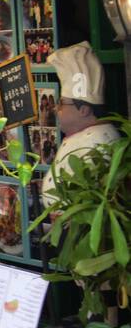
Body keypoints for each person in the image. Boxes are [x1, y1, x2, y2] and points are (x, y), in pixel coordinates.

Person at [42, 42, 123, 206]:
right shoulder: (83, 136)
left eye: (62, 104)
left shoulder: (97, 143)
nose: (56, 109)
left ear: (84, 110)